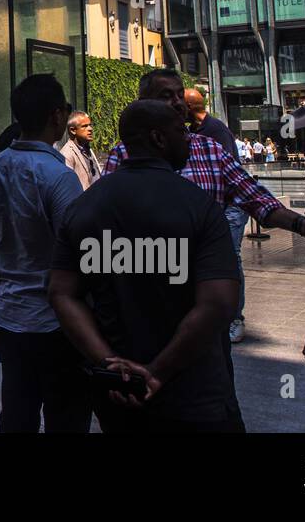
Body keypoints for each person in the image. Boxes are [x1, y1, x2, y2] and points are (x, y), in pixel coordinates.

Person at [50, 100, 243, 433]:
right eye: (180, 132)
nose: (188, 139)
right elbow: (219, 302)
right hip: (194, 388)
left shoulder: (85, 207)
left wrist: (110, 365)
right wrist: (157, 371)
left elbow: (62, 294)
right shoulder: (199, 206)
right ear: (158, 138)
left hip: (118, 393)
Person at [104, 69, 305, 346]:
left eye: (179, 94)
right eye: (166, 96)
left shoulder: (209, 149)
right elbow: (109, 222)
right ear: (143, 104)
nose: (177, 102)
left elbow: (254, 196)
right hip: (148, 295)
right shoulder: (123, 155)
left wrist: (300, 224)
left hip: (204, 294)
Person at [0, 73, 92, 433]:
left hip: (9, 318)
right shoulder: (59, 178)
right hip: (56, 323)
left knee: (17, 413)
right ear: (57, 116)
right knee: (67, 417)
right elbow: (78, 254)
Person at [184, 88, 236, 157]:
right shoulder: (190, 130)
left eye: (179, 107)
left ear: (188, 107)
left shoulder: (217, 129)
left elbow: (228, 162)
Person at [59, 110, 101, 191]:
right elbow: (67, 187)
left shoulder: (87, 149)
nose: (90, 129)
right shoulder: (67, 154)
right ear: (73, 130)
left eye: (90, 125)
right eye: (84, 126)